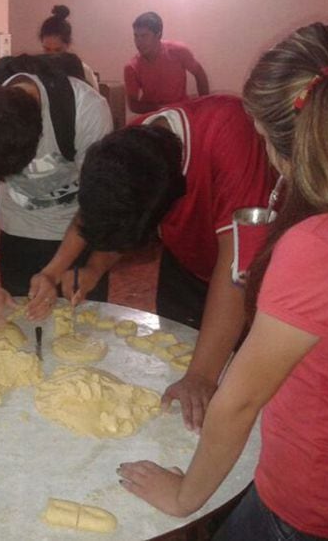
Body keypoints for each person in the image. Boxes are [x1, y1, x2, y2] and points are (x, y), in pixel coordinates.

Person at [117, 23, 328, 540]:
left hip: (312, 505)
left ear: (293, 150)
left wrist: (184, 495)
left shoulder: (323, 247)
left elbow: (239, 401)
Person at [66, 95, 276, 430]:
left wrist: (202, 375)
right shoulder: (133, 147)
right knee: (176, 374)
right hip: (186, 266)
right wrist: (93, 267)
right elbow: (125, 215)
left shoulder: (227, 131)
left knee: (235, 393)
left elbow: (238, 268)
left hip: (252, 282)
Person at [0, 54, 113, 325]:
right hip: (17, 237)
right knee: (22, 331)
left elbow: (96, 207)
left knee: (82, 330)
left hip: (80, 235)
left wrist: (53, 272)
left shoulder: (85, 110)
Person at [124, 11, 209, 114]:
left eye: (144, 36)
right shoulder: (132, 67)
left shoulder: (178, 51)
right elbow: (133, 105)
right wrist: (163, 109)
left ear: (158, 35)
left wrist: (204, 106)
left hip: (182, 112)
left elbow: (199, 74)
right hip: (152, 117)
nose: (139, 42)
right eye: (136, 36)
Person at [39, 4, 100, 91]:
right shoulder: (35, 70)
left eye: (58, 50)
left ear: (67, 45)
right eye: (47, 49)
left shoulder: (83, 71)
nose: (52, 56)